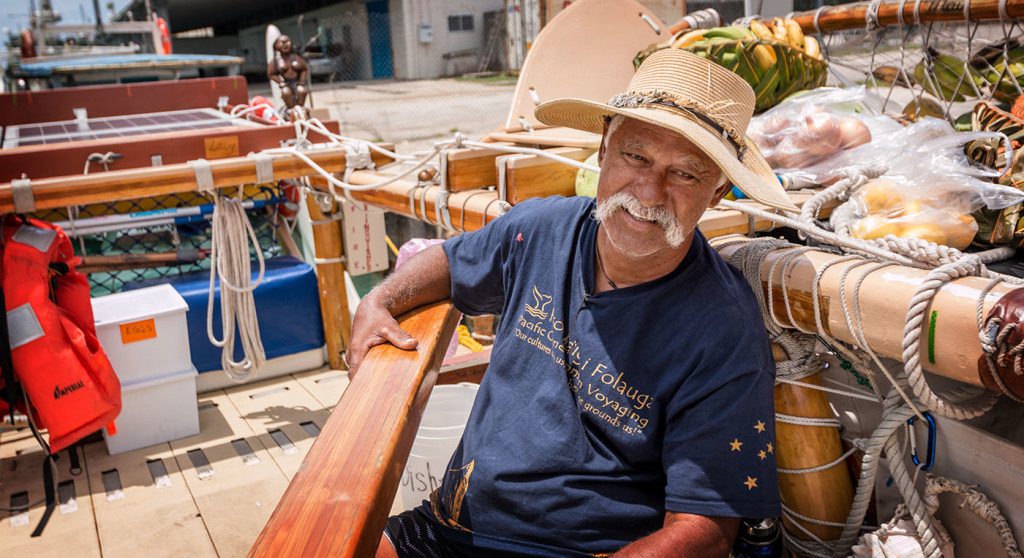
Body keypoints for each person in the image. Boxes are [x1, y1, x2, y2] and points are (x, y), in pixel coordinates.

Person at [349, 48, 800, 557]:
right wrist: (381, 299)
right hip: (451, 528)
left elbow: (706, 532)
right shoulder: (542, 229)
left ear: (718, 191)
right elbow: (452, 263)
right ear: (604, 147)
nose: (650, 192)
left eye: (686, 174)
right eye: (636, 156)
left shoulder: (723, 329)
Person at [267, 35, 309, 119]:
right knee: (286, 92)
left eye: (287, 42)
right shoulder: (276, 60)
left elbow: (304, 69)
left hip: (297, 82)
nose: (285, 45)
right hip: (286, 83)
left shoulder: (297, 57)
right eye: (281, 43)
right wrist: (280, 82)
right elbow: (271, 74)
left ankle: (300, 109)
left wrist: (302, 80)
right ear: (276, 46)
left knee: (302, 90)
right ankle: (290, 110)